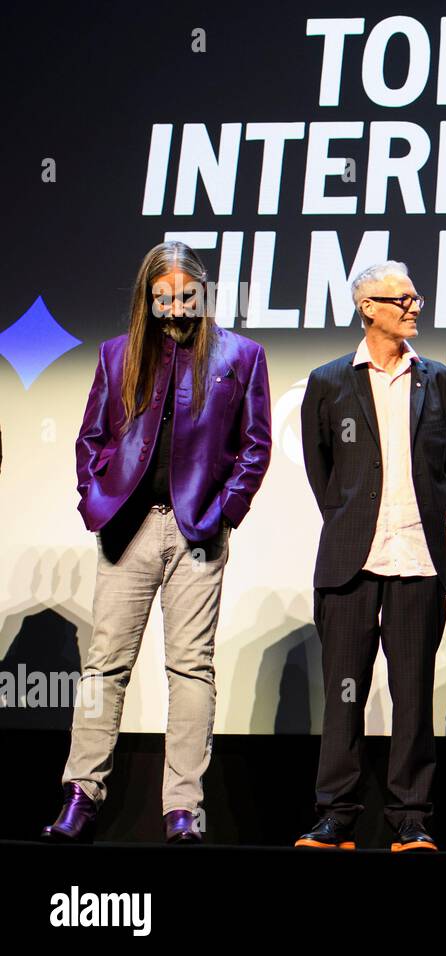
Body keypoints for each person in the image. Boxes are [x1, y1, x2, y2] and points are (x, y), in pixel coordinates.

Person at [43, 240, 271, 844]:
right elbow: (91, 436)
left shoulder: (241, 356)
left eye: (185, 295)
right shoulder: (118, 355)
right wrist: (95, 499)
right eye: (162, 296)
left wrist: (227, 511)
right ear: (148, 297)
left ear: (203, 291)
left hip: (197, 530)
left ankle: (182, 809)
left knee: (191, 669)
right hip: (128, 528)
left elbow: (255, 445)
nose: (174, 307)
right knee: (104, 668)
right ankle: (79, 797)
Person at [295, 261, 446, 852]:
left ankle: (411, 816)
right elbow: (323, 472)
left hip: (418, 556)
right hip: (350, 558)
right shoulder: (327, 381)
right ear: (368, 307)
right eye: (403, 298)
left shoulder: (442, 383)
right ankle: (335, 815)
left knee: (413, 694)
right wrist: (351, 522)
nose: (415, 306)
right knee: (344, 690)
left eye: (417, 296)